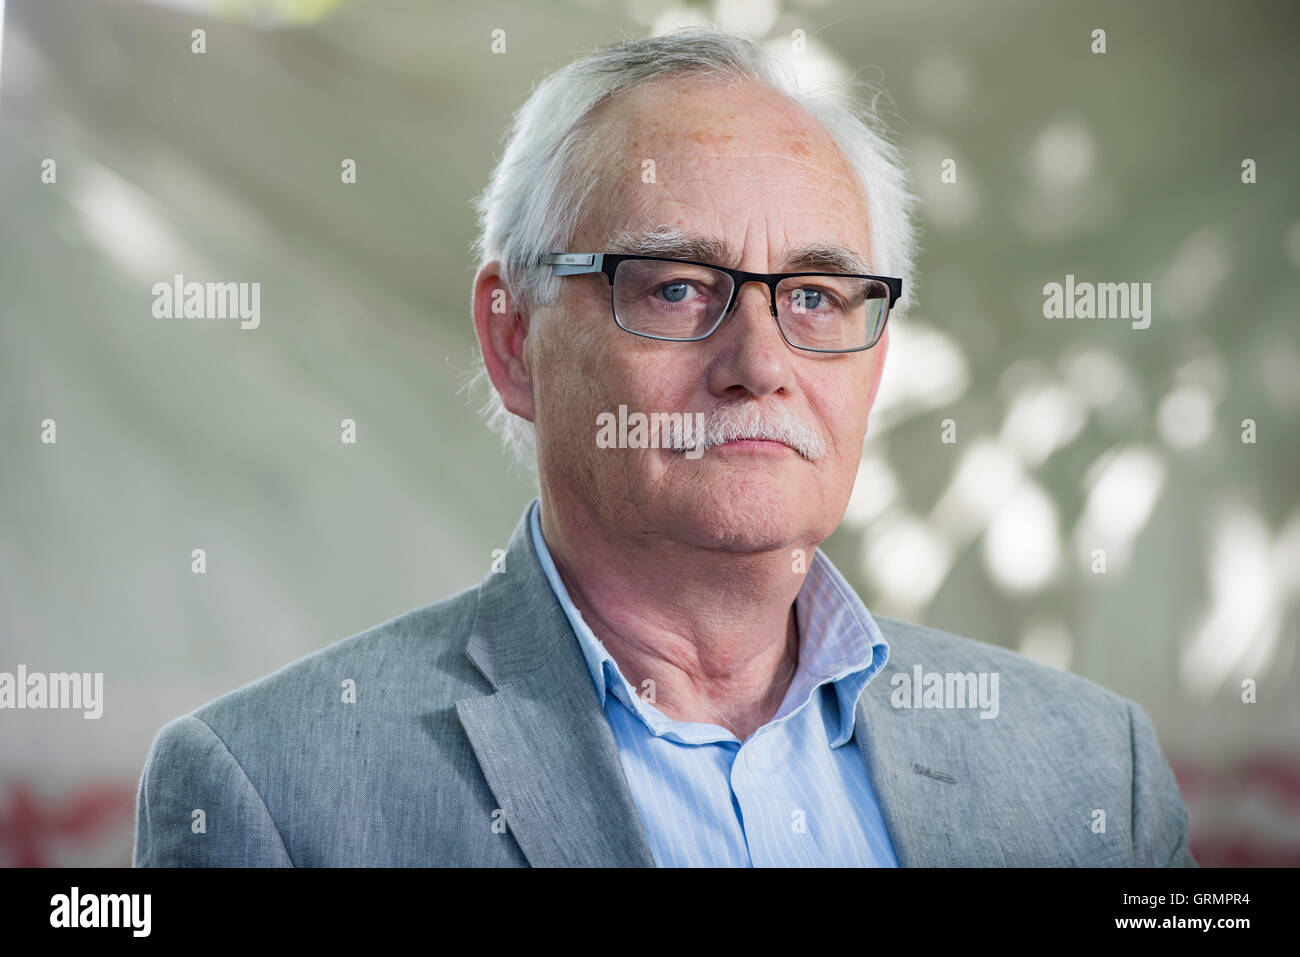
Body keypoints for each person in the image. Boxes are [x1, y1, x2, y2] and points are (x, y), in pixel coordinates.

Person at [133, 27, 1195, 867]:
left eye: (817, 296)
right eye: (678, 287)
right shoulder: (272, 793)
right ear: (515, 339)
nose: (760, 361)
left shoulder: (1094, 772)